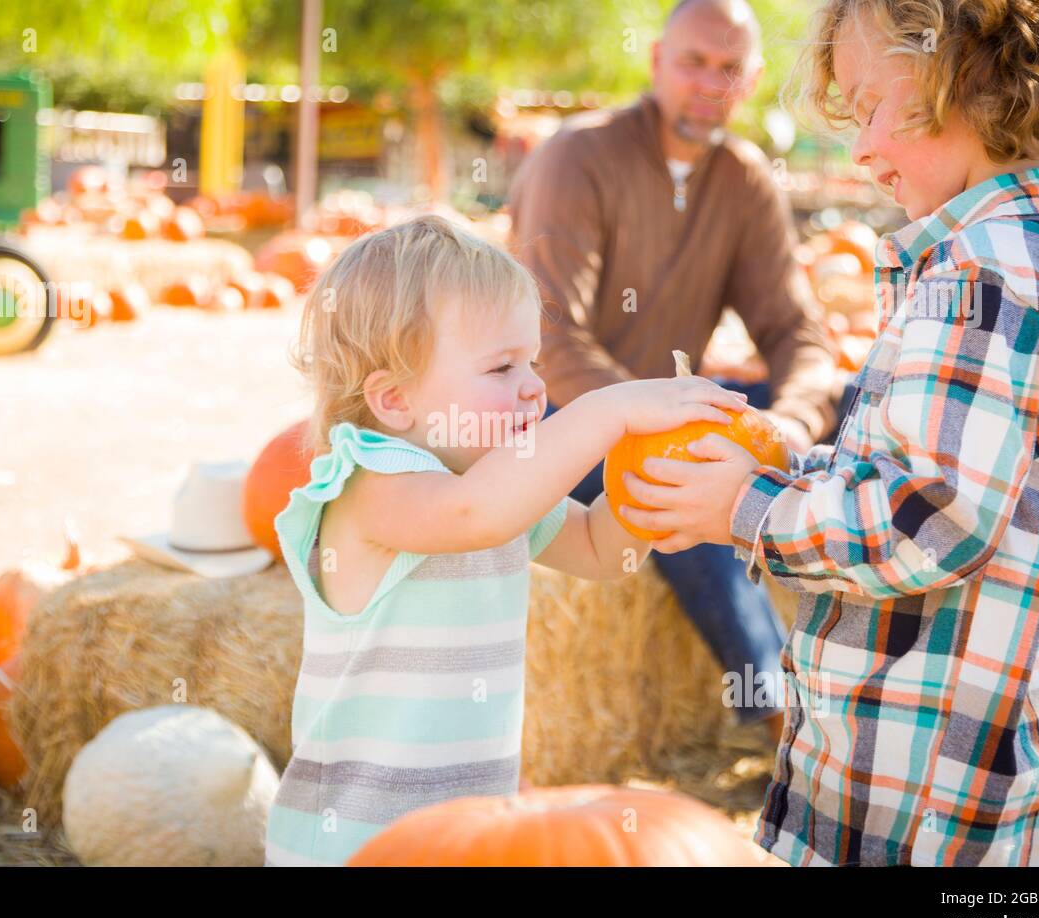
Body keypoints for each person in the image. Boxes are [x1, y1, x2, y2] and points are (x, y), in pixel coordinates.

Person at [615, 0, 1039, 865]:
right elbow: (918, 474)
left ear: (961, 74)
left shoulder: (985, 279)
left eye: (870, 106)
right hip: (942, 754)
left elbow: (927, 520)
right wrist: (790, 457)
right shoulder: (1016, 254)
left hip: (936, 785)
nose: (858, 149)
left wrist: (746, 508)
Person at [263, 215, 749, 865]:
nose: (534, 387)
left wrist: (650, 489)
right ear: (394, 399)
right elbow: (472, 516)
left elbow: (602, 554)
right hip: (354, 843)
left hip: (465, 835)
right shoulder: (370, 484)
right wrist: (610, 408)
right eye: (501, 367)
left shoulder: (492, 484)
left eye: (533, 361)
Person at [510, 0, 842, 742]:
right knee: (678, 479)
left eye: (730, 69)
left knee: (854, 406)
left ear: (752, 79)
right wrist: (644, 417)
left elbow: (797, 333)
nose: (710, 83)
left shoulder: (744, 180)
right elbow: (549, 339)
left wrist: (785, 425)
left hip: (682, 407)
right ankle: (786, 718)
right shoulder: (579, 157)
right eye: (694, 62)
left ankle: (887, 665)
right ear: (657, 60)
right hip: (569, 421)